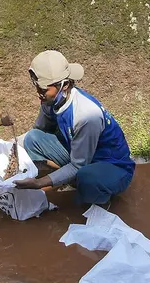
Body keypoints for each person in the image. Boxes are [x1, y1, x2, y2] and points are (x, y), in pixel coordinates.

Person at [13, 51, 135, 207]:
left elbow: (79, 165)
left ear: (65, 85)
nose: (39, 95)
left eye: (43, 90)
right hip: (81, 155)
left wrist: (39, 183)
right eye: (37, 88)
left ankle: (100, 201)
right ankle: (74, 180)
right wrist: (8, 145)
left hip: (114, 167)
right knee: (33, 139)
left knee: (86, 175)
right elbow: (37, 130)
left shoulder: (86, 116)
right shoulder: (50, 101)